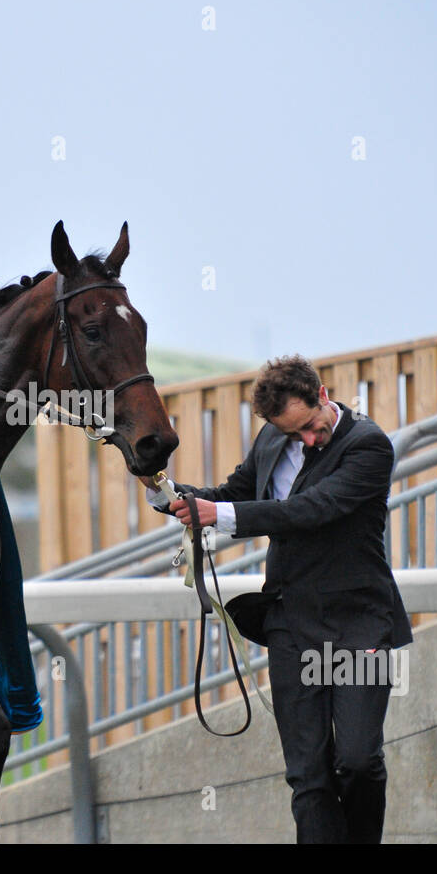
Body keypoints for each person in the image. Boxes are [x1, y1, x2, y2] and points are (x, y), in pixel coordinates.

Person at [145, 354, 411, 843]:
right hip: (291, 624)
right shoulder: (273, 438)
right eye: (295, 434)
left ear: (324, 394)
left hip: (360, 625)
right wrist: (166, 492)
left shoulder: (369, 446)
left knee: (356, 760)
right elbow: (231, 493)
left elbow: (313, 509)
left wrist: (219, 516)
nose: (307, 440)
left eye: (311, 426)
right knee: (307, 775)